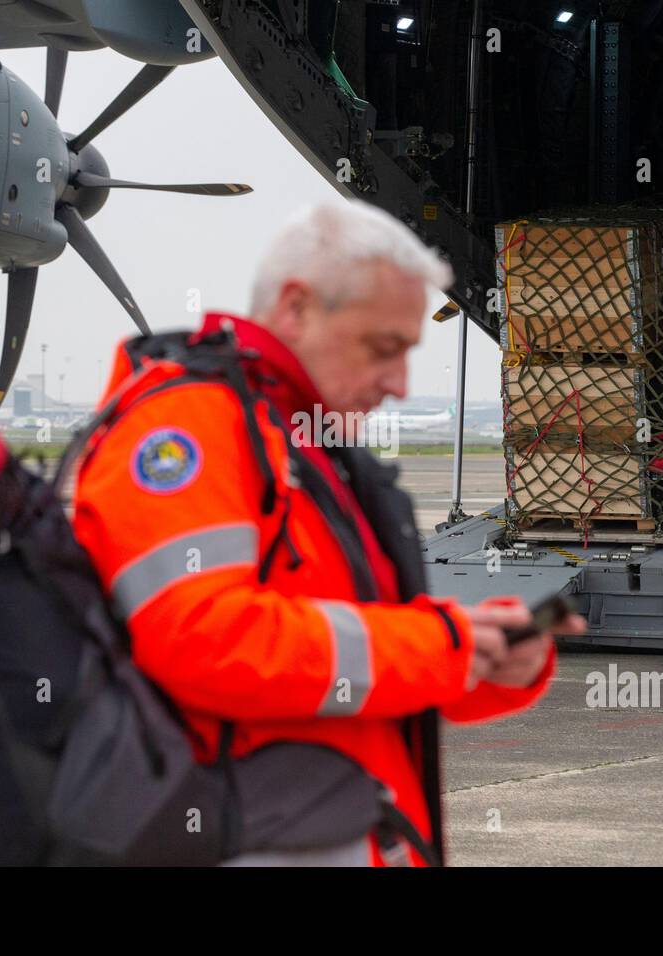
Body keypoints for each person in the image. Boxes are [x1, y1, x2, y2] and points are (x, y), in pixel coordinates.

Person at [72, 200, 584, 866]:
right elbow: (203, 637)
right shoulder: (189, 427)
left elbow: (351, 652)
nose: (400, 384)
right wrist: (440, 644)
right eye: (383, 348)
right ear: (296, 309)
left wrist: (481, 658)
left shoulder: (301, 442)